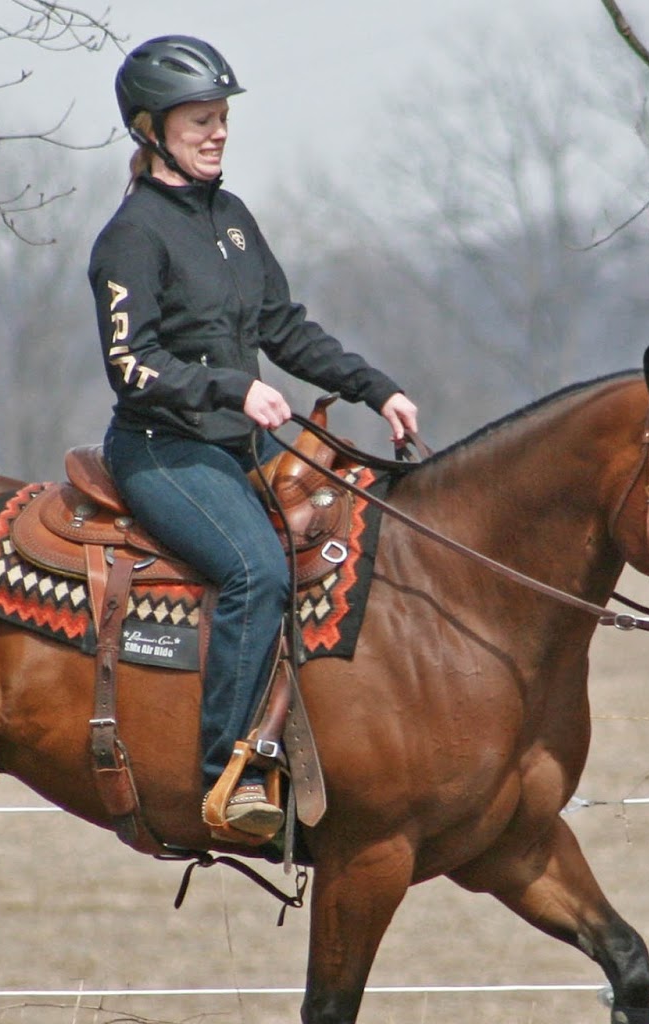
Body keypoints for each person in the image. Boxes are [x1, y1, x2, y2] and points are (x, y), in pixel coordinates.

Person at [88, 34, 419, 840]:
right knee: (255, 571)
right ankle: (233, 774)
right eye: (199, 119)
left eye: (223, 117)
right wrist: (233, 385)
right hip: (166, 449)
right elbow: (131, 363)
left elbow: (284, 327)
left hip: (241, 441)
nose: (218, 132)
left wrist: (376, 388)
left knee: (361, 530)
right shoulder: (131, 238)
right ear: (149, 128)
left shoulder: (232, 219)